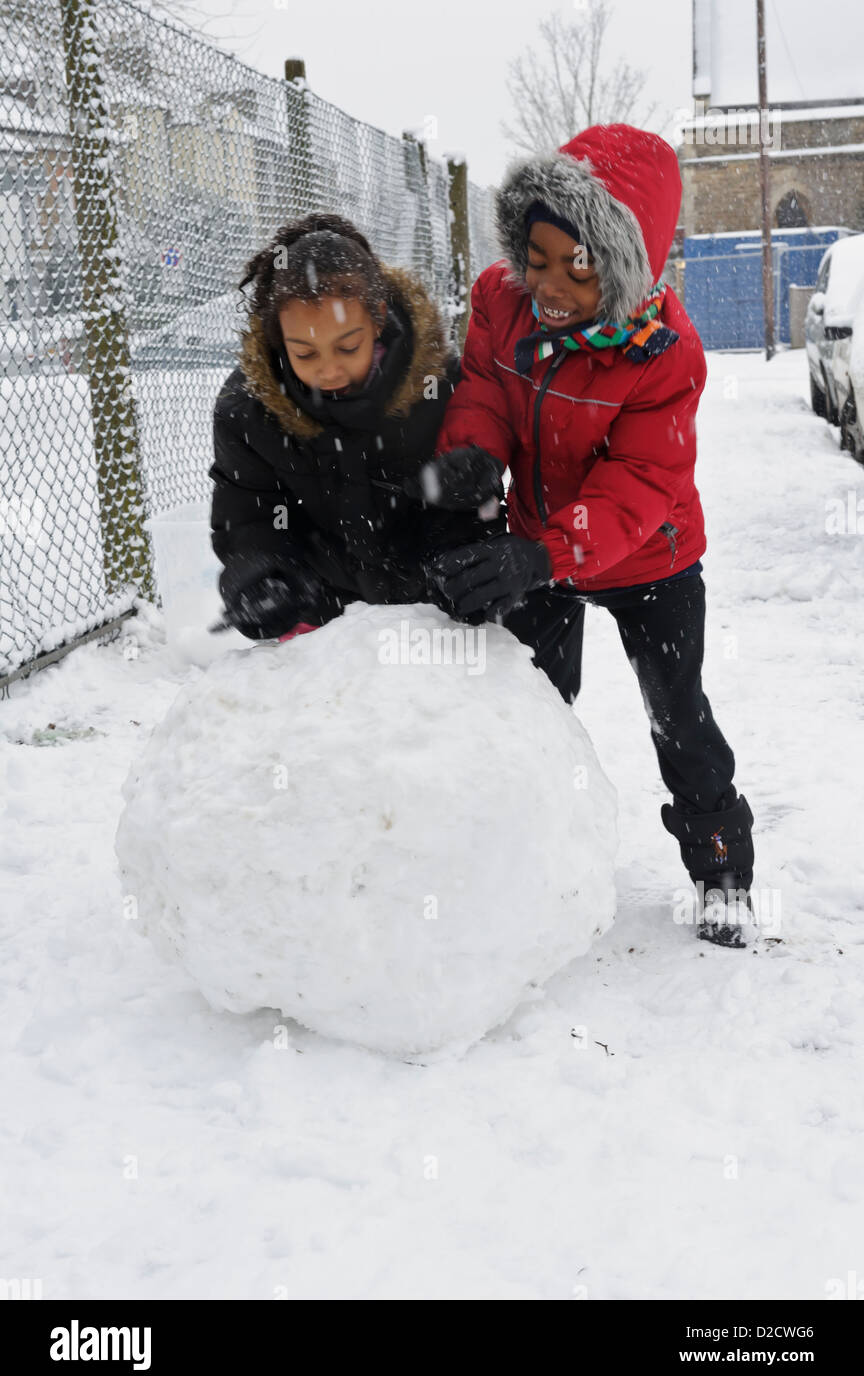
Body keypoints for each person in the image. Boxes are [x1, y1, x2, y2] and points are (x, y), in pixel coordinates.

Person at [420, 123, 755, 948]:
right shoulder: (502, 302)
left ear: (624, 267)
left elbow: (639, 483)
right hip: (536, 546)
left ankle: (720, 869)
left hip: (650, 556)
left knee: (678, 712)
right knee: (531, 705)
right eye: (536, 259)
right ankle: (532, 858)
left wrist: (541, 553)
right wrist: (471, 455)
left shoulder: (665, 355)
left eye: (578, 267)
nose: (549, 286)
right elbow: (488, 395)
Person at [208, 212, 502, 644]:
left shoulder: (438, 387)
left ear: (379, 317)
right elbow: (251, 520)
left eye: (347, 346)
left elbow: (473, 510)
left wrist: (464, 568)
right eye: (304, 353)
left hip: (432, 618)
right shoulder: (247, 412)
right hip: (320, 620)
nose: (328, 369)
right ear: (277, 340)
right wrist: (262, 579)